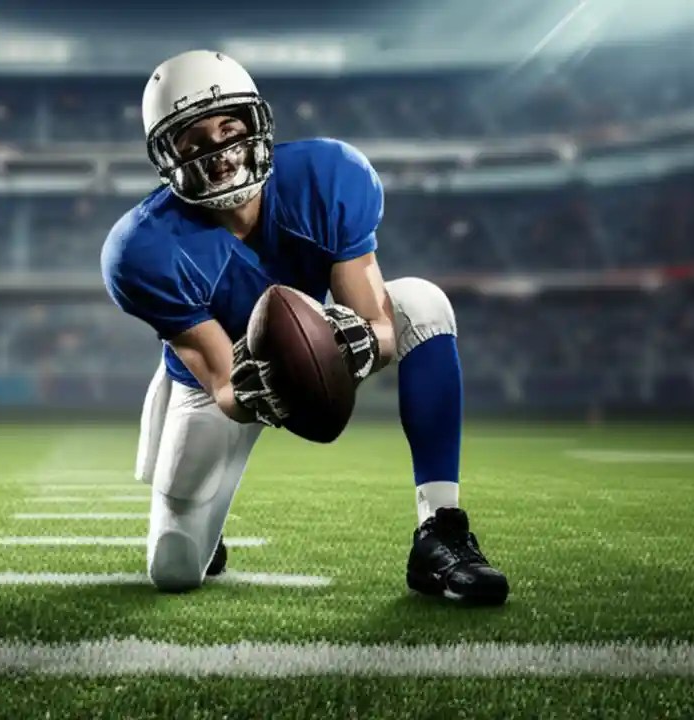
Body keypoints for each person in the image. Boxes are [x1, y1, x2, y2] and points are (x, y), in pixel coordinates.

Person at [100, 50, 509, 604]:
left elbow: (382, 327)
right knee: (174, 569)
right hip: (220, 380)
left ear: (256, 125)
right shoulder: (141, 249)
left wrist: (360, 342)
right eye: (194, 143)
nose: (218, 154)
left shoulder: (328, 176)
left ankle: (440, 532)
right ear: (168, 158)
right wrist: (262, 381)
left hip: (317, 334)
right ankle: (205, 530)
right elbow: (224, 385)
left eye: (228, 129)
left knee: (425, 304)